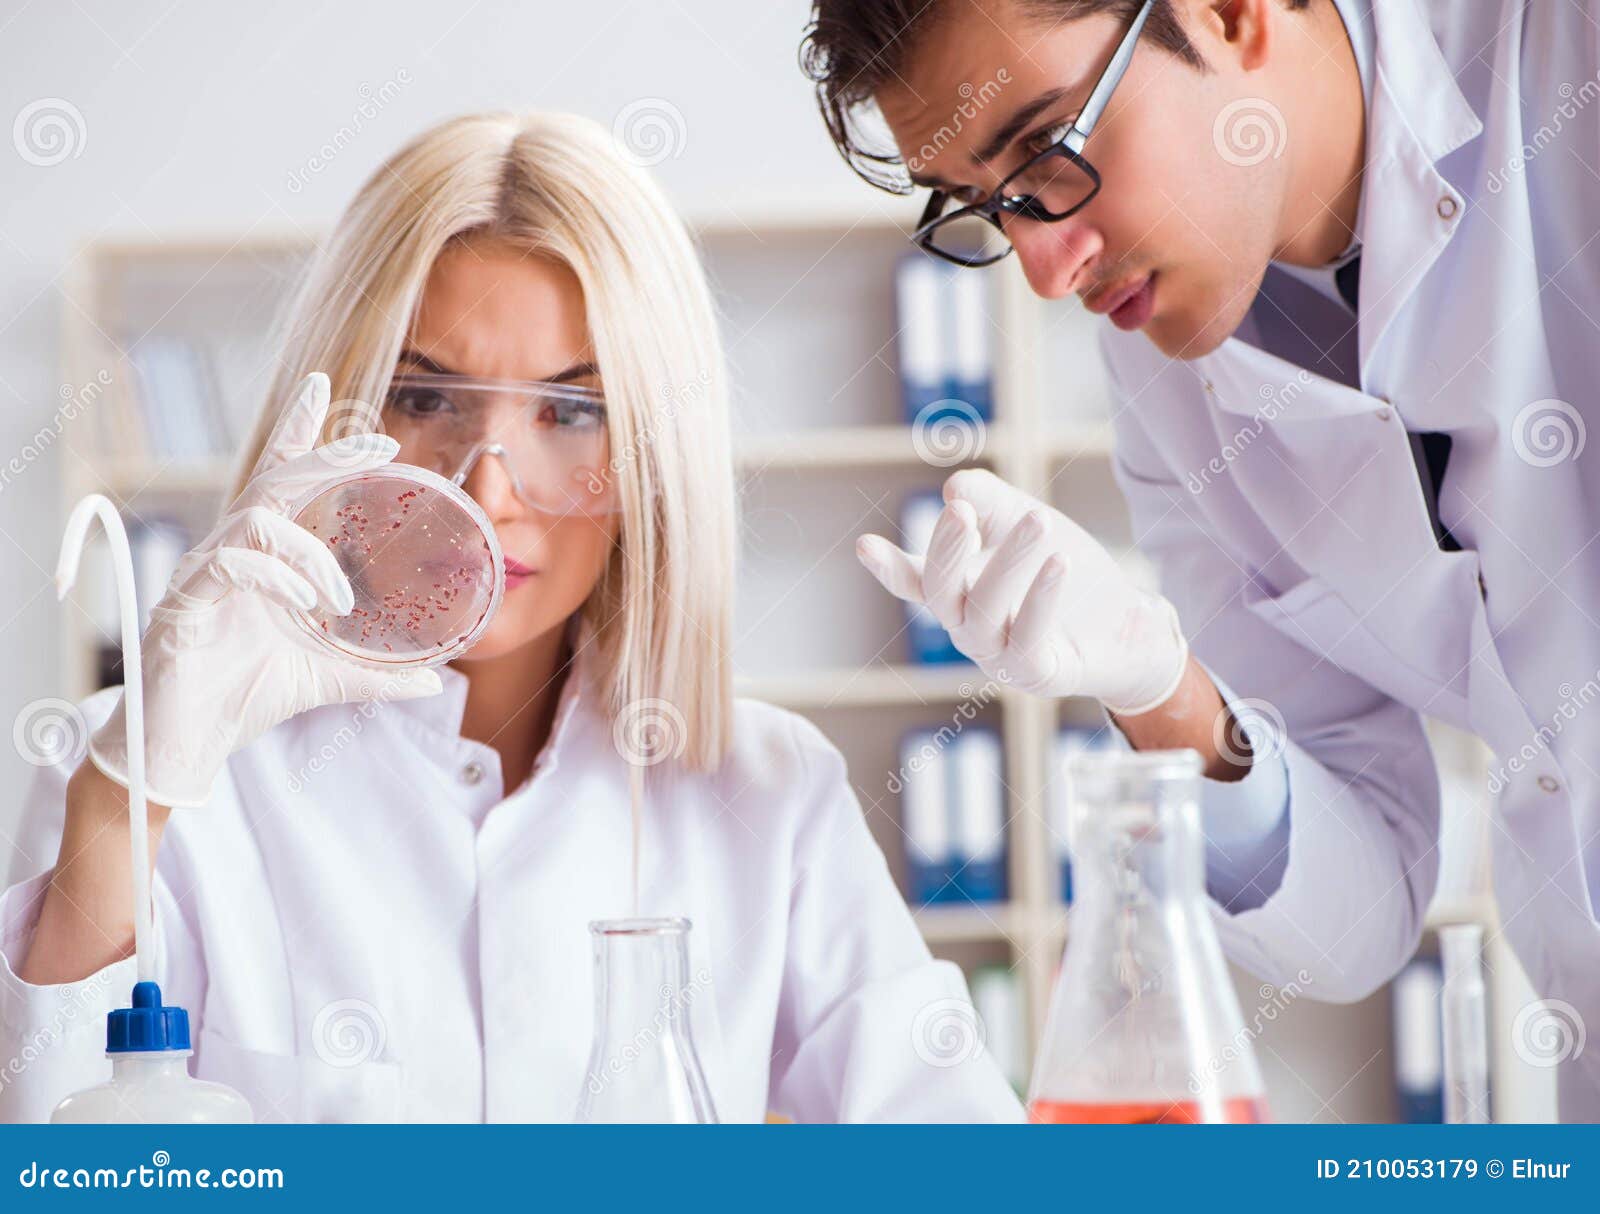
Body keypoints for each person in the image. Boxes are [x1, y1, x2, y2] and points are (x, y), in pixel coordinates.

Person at [0, 111, 1021, 1124]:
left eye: (571, 411)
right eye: (425, 397)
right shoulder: (138, 775)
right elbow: (49, 1161)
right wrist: (120, 801)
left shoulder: (771, 792)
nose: (488, 494)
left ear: (656, 461)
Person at [801, 0, 1600, 1118]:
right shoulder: (1170, 378)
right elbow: (1359, 918)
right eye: (985, 206)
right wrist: (1154, 684)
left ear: (1230, 13)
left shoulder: (1564, 58)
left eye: (1046, 151)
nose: (1040, 267)